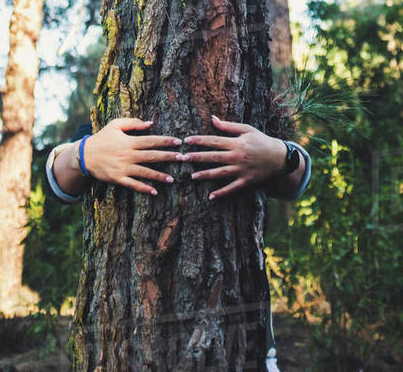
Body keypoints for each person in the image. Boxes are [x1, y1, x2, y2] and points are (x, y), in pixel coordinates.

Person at [45, 113, 311, 372]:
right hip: (124, 346)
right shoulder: (108, 117)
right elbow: (57, 178)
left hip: (245, 345)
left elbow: (296, 177)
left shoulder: (252, 106)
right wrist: (84, 154)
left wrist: (282, 156)